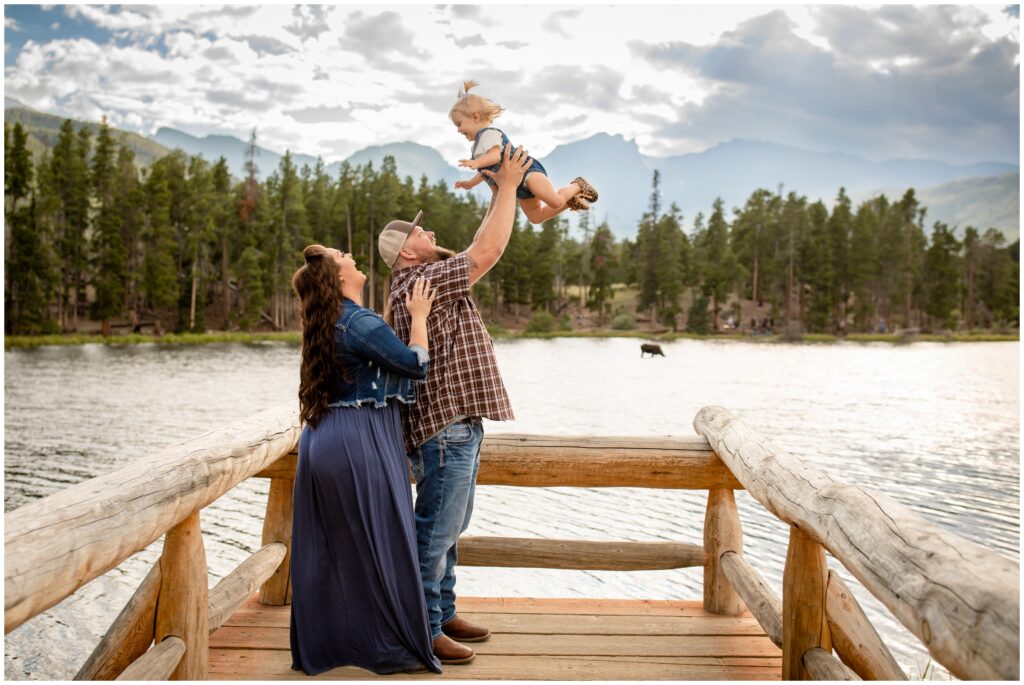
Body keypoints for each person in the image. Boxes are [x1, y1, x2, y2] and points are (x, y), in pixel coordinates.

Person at [376, 143, 530, 664]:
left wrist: (496, 190)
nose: (431, 234)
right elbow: (485, 252)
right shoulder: (420, 280)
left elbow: (477, 243)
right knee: (436, 529)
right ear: (407, 252)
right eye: (421, 233)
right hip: (444, 430)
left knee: (450, 525)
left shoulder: (421, 278)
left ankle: (441, 611)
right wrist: (507, 187)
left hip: (456, 426)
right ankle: (422, 626)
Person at [288, 244, 443, 676]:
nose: (352, 256)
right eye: (345, 257)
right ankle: (387, 644)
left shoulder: (330, 322)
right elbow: (414, 364)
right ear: (339, 279)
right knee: (383, 542)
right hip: (359, 439)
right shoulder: (358, 320)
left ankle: (334, 644)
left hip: (322, 440)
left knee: (333, 552)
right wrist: (418, 318)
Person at [450, 80, 598, 224]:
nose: (458, 130)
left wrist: (476, 162)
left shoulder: (488, 134)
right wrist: (470, 183)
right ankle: (571, 201)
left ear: (475, 116)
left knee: (555, 201)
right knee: (536, 217)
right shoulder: (477, 147)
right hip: (517, 185)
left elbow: (494, 156)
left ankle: (577, 185)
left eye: (459, 124)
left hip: (527, 173)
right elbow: (485, 171)